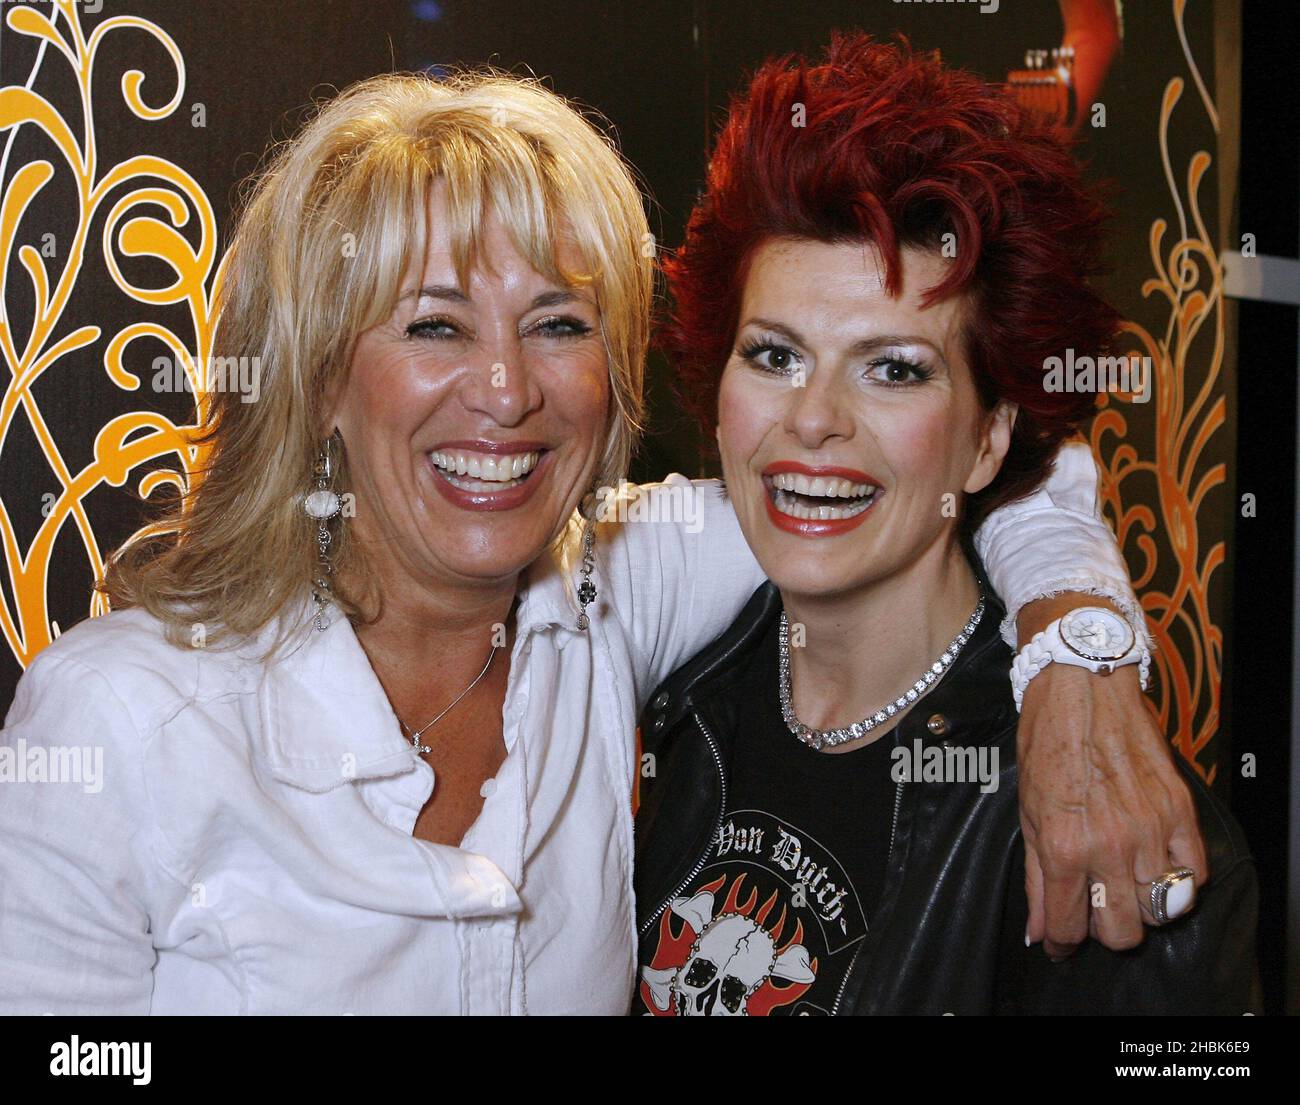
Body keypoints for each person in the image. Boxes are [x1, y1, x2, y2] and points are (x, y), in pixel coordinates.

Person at [0, 65, 1186, 1015]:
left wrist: (1068, 659)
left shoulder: (616, 583)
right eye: (434, 323)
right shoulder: (117, 723)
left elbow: (949, 469)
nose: (508, 390)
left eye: (558, 324)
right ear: (319, 381)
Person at [632, 33, 1256, 1016]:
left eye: (893, 368)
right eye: (774, 355)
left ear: (985, 442)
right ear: (716, 398)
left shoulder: (1091, 814)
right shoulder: (677, 681)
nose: (813, 418)